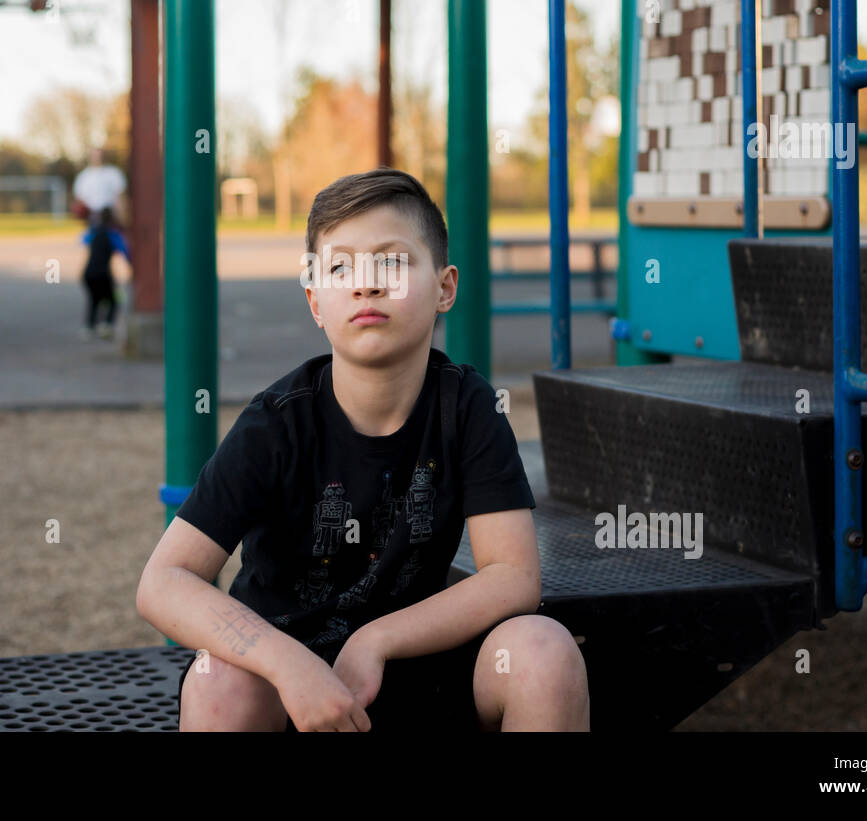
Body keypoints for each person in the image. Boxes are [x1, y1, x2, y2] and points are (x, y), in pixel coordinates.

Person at [135, 167, 589, 732]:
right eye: (341, 266)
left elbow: (514, 576)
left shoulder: (467, 406)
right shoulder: (276, 425)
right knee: (216, 680)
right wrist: (286, 664)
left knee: (542, 650)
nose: (366, 283)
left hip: (414, 669)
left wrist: (377, 639)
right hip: (283, 694)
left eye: (392, 262)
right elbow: (164, 581)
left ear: (445, 287)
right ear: (316, 302)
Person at [80, 205, 130, 340]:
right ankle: (107, 325)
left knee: (94, 300)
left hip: (88, 273)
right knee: (113, 300)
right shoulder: (113, 234)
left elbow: (82, 240)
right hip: (103, 273)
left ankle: (89, 327)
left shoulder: (93, 232)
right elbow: (125, 251)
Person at [72, 148, 127, 220]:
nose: (98, 158)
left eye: (99, 156)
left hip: (110, 216)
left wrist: (122, 215)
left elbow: (120, 196)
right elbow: (79, 199)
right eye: (95, 156)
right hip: (91, 216)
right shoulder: (84, 176)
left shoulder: (113, 173)